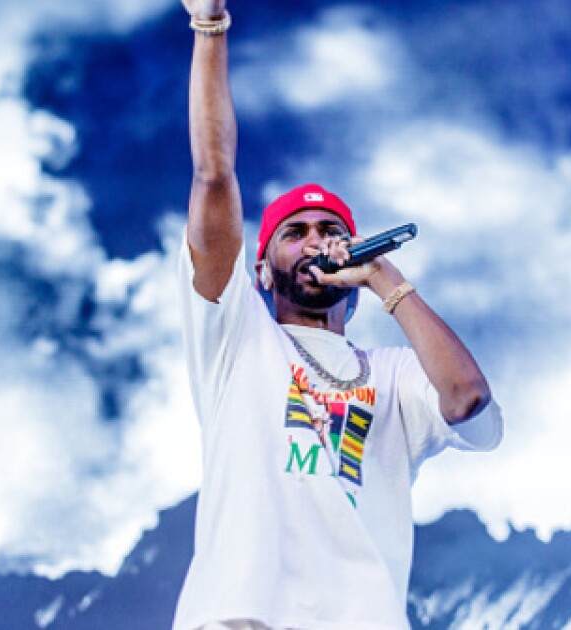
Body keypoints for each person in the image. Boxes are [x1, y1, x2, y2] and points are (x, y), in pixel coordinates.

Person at [173, 1, 504, 628]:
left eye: (331, 231)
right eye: (293, 233)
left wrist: (386, 278)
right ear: (262, 268)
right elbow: (213, 177)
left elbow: (467, 402)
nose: (316, 241)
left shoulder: (396, 373)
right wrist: (209, 26)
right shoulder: (236, 338)